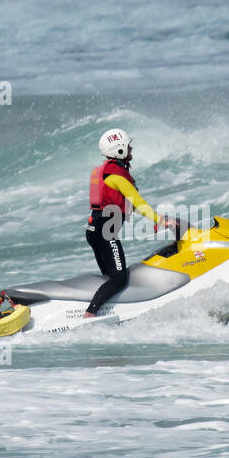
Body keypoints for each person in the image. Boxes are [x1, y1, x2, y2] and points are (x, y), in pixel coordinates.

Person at [84, 128, 179, 318]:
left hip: (94, 229)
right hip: (105, 232)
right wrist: (160, 220)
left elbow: (128, 205)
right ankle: (90, 314)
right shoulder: (117, 174)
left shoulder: (108, 172)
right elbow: (138, 202)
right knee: (119, 279)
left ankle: (104, 309)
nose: (131, 149)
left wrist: (156, 219)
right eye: (128, 147)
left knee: (110, 278)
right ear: (119, 150)